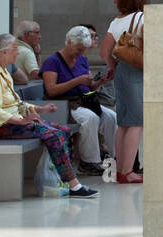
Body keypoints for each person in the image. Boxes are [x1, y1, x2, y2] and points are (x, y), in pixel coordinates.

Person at [0, 33, 97, 198]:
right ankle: (74, 185)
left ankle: (62, 180)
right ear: (4, 52)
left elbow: (15, 103)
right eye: (14, 48)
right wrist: (21, 121)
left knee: (63, 130)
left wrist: (41, 109)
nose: (17, 52)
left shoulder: (2, 71)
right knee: (53, 135)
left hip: (12, 122)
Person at [40, 26, 118, 176]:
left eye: (84, 50)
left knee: (111, 117)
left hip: (83, 101)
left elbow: (90, 86)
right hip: (63, 104)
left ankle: (115, 158)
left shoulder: (82, 59)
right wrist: (76, 81)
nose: (81, 53)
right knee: (90, 119)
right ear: (69, 42)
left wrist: (101, 81)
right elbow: (51, 90)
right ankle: (89, 162)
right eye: (79, 49)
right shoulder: (52, 61)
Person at [101, 0, 147, 183]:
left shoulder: (116, 21)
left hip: (121, 71)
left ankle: (120, 169)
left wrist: (113, 66)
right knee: (136, 122)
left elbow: (104, 51)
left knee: (124, 123)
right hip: (136, 71)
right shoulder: (143, 18)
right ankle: (128, 171)